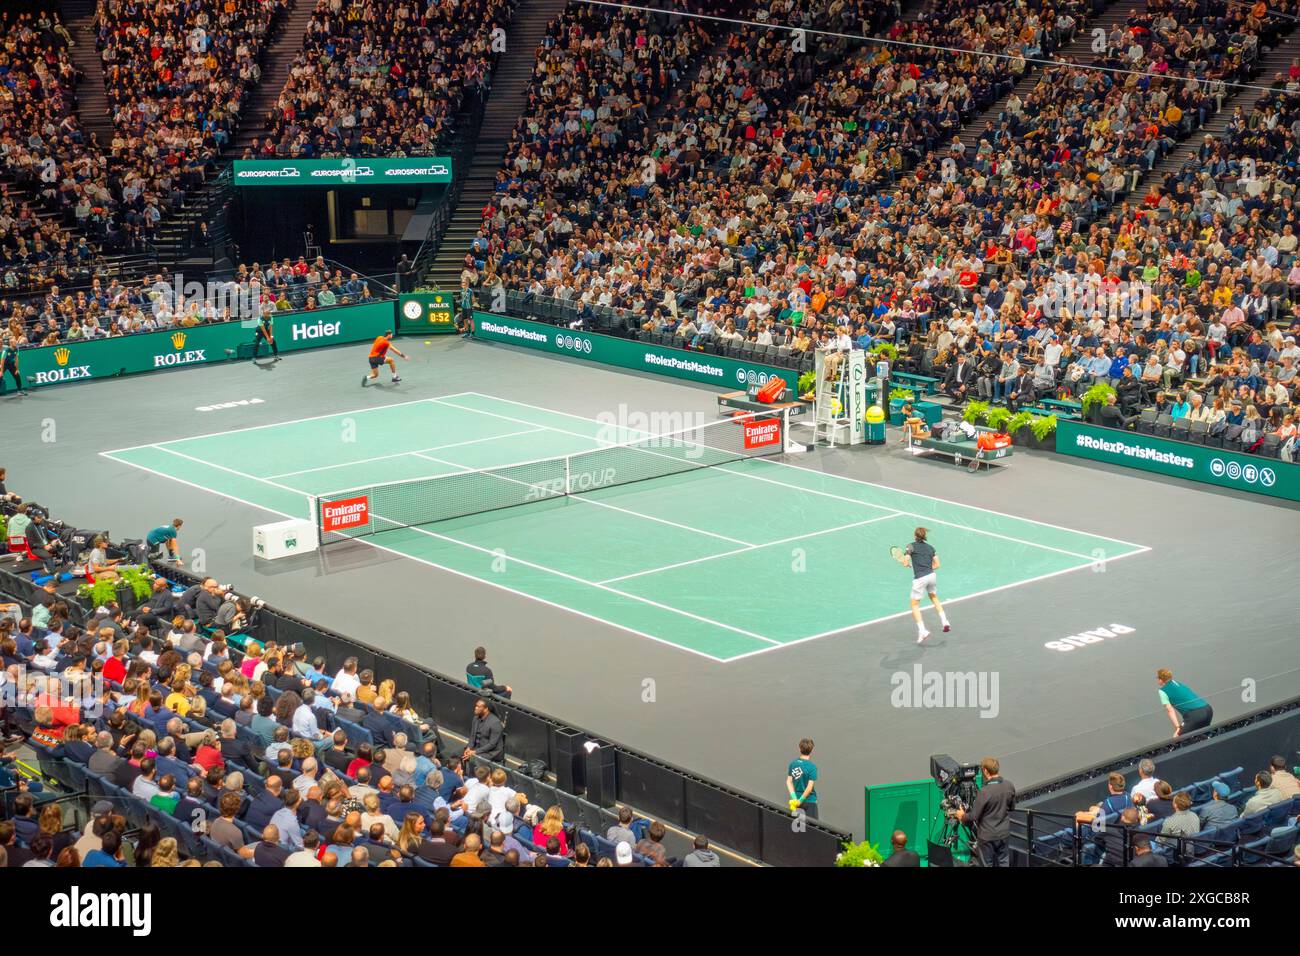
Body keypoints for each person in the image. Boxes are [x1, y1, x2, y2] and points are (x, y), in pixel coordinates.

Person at [952, 757, 1015, 867]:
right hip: (1003, 834)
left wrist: (961, 816)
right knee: (1004, 862)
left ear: (986, 771)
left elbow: (973, 816)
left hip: (987, 837)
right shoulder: (1009, 785)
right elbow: (1012, 807)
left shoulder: (984, 792)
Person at [899, 526, 950, 643]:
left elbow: (905, 561)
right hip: (931, 576)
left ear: (915, 536)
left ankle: (922, 631)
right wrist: (926, 568)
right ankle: (945, 621)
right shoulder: (931, 548)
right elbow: (937, 565)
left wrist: (905, 563)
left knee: (914, 605)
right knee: (934, 597)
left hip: (920, 578)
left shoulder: (910, 546)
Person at [1156, 668, 1213, 737]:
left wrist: (1178, 727)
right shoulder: (1176, 683)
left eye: (1157, 678)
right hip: (1207, 709)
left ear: (1161, 679)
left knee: (1177, 737)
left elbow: (1169, 710)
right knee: (1204, 735)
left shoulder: (1162, 691)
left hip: (1195, 715)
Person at [786, 738, 818, 820]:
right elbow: (809, 788)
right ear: (812, 750)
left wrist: (794, 798)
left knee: (797, 829)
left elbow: (789, 781)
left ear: (799, 748)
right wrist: (800, 801)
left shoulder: (793, 764)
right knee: (812, 830)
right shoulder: (812, 767)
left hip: (796, 802)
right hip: (810, 802)